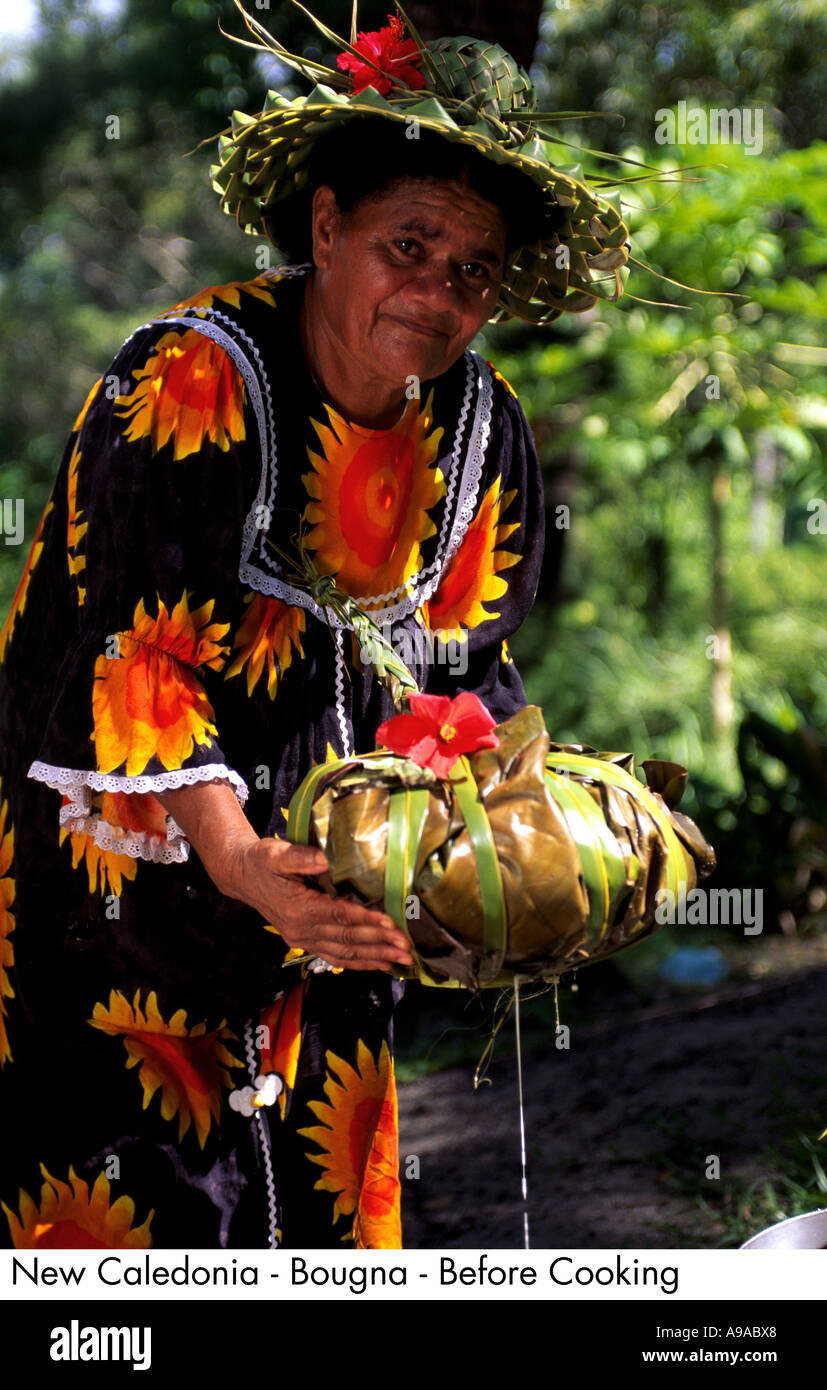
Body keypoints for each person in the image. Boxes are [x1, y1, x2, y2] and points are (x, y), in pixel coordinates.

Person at [0, 8, 630, 1250]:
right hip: (128, 896)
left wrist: (511, 850)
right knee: (129, 1235)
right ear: (327, 226)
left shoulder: (483, 430)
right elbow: (139, 661)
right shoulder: (185, 377)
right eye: (409, 243)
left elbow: (468, 669)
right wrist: (238, 862)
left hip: (338, 911)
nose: (438, 292)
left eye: (471, 269)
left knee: (328, 1218)